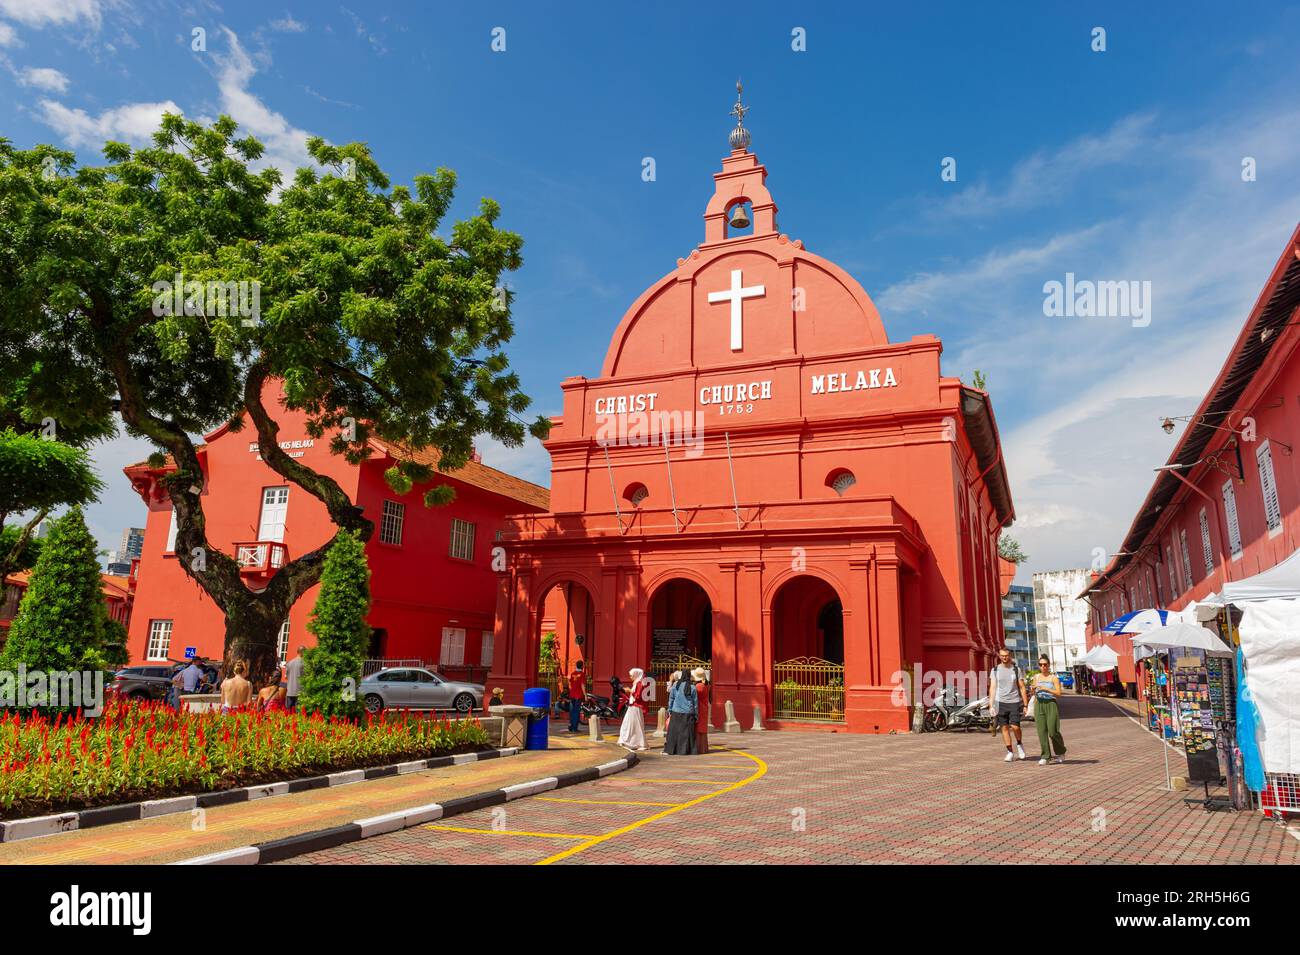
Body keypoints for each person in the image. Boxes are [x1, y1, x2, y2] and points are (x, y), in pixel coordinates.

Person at [988, 649, 1028, 761]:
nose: (1004, 657)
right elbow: (993, 687)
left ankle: (1019, 744)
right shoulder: (995, 670)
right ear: (999, 656)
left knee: (1015, 727)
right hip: (1000, 702)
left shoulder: (1016, 669)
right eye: (1002, 656)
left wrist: (1025, 705)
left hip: (1014, 701)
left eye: (1006, 656)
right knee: (1004, 727)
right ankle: (1010, 752)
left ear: (1010, 656)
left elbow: (1022, 687)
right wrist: (991, 705)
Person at [1029, 655, 1068, 765]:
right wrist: (1032, 690)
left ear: (1049, 665)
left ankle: (1061, 752)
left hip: (1051, 704)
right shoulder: (1036, 677)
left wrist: (1046, 688)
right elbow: (1033, 693)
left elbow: (1059, 693)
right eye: (1041, 665)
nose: (1043, 667)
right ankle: (1046, 756)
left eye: (1045, 664)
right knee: (1041, 732)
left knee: (1053, 731)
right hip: (1039, 704)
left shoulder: (1053, 678)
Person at [663, 669, 698, 756]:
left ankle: (671, 750)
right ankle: (685, 751)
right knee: (686, 733)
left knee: (674, 732)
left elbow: (671, 698)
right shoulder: (692, 687)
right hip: (688, 713)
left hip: (676, 711)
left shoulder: (676, 685)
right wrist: (696, 714)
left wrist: (670, 710)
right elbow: (695, 702)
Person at [617, 667, 648, 751]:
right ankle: (625, 741)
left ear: (636, 675)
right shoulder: (637, 683)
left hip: (636, 707)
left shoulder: (640, 683)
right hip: (632, 706)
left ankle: (641, 744)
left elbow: (638, 696)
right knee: (628, 724)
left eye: (631, 675)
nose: (630, 677)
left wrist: (629, 690)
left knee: (636, 725)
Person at [692, 667, 711, 755]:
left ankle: (699, 748)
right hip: (705, 707)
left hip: (699, 708)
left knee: (698, 728)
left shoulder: (699, 686)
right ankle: (703, 748)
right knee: (703, 729)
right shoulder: (706, 685)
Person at [566, 659, 586, 733]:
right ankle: (574, 728)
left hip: (572, 695)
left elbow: (570, 684)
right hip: (578, 695)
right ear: (582, 666)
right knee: (576, 712)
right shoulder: (582, 674)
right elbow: (582, 685)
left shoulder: (572, 673)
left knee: (571, 711)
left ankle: (571, 726)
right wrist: (585, 695)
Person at [285, 646, 305, 710]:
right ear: (303, 652)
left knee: (288, 713)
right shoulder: (304, 663)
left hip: (290, 691)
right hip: (300, 691)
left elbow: (286, 677)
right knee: (298, 714)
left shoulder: (289, 662)